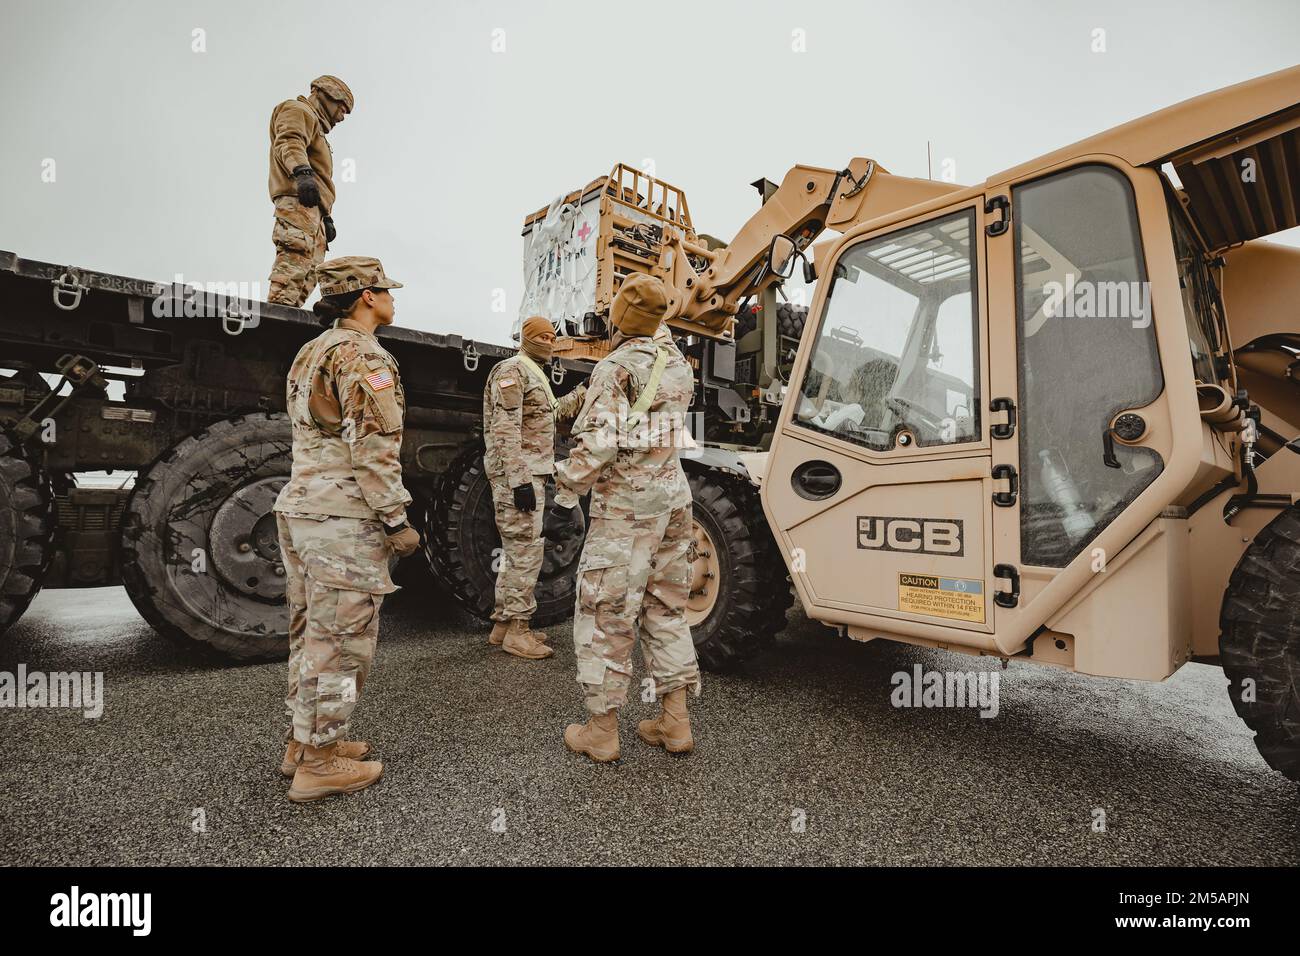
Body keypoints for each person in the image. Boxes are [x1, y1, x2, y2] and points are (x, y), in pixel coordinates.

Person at [274, 255, 420, 802]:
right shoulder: (364, 355)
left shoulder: (311, 351)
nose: (391, 298)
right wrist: (397, 520)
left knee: (311, 633)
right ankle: (320, 762)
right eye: (385, 289)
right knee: (341, 643)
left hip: (303, 508)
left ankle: (302, 741)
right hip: (342, 518)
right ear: (365, 296)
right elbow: (374, 448)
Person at [548, 274, 702, 763]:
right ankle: (675, 722)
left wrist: (565, 493)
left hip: (627, 510)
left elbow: (597, 443)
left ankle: (601, 730)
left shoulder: (616, 367)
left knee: (606, 613)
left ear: (618, 317)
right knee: (667, 607)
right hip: (674, 501)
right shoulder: (677, 363)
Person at [482, 316, 587, 660]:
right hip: (520, 477)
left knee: (516, 553)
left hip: (531, 473)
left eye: (552, 335)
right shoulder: (512, 370)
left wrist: (583, 392)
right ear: (526, 338)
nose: (549, 340)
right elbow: (505, 427)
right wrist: (519, 480)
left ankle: (502, 624)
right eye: (541, 336)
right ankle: (518, 631)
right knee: (526, 553)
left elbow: (552, 415)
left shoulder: (535, 372)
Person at [267, 75, 353, 306]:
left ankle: (286, 315)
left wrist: (326, 216)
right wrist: (302, 173)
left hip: (313, 209)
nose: (342, 117)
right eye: (342, 108)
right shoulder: (299, 111)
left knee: (308, 273)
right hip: (299, 202)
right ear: (326, 95)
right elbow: (289, 141)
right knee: (293, 266)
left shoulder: (317, 128)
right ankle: (276, 322)